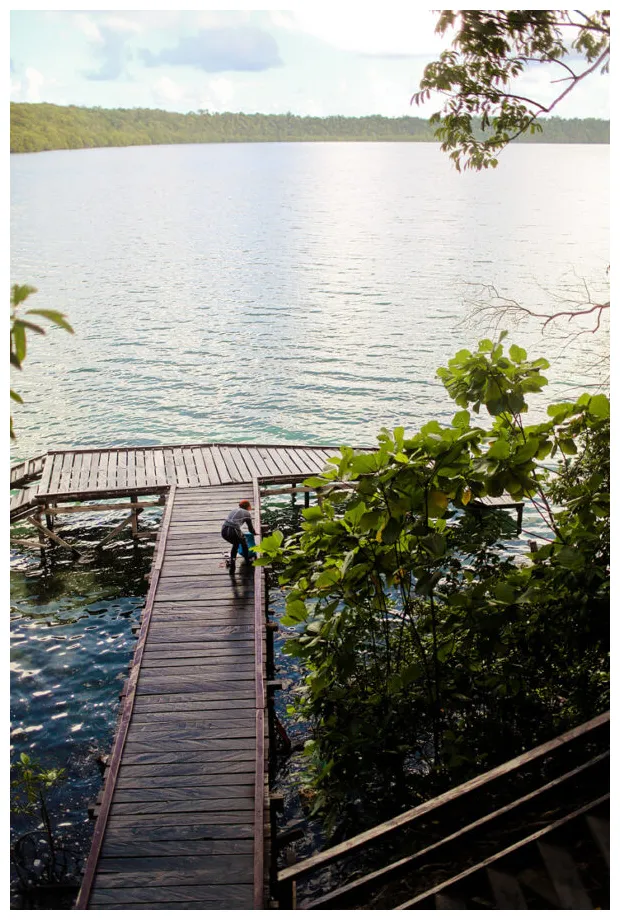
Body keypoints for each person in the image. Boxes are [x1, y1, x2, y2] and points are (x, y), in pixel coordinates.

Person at [221, 499, 256, 568]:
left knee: (236, 544)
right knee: (244, 543)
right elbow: (250, 528)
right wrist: (255, 533)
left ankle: (233, 562)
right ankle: (247, 561)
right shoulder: (247, 513)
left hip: (224, 530)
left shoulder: (234, 510)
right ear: (248, 507)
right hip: (233, 530)